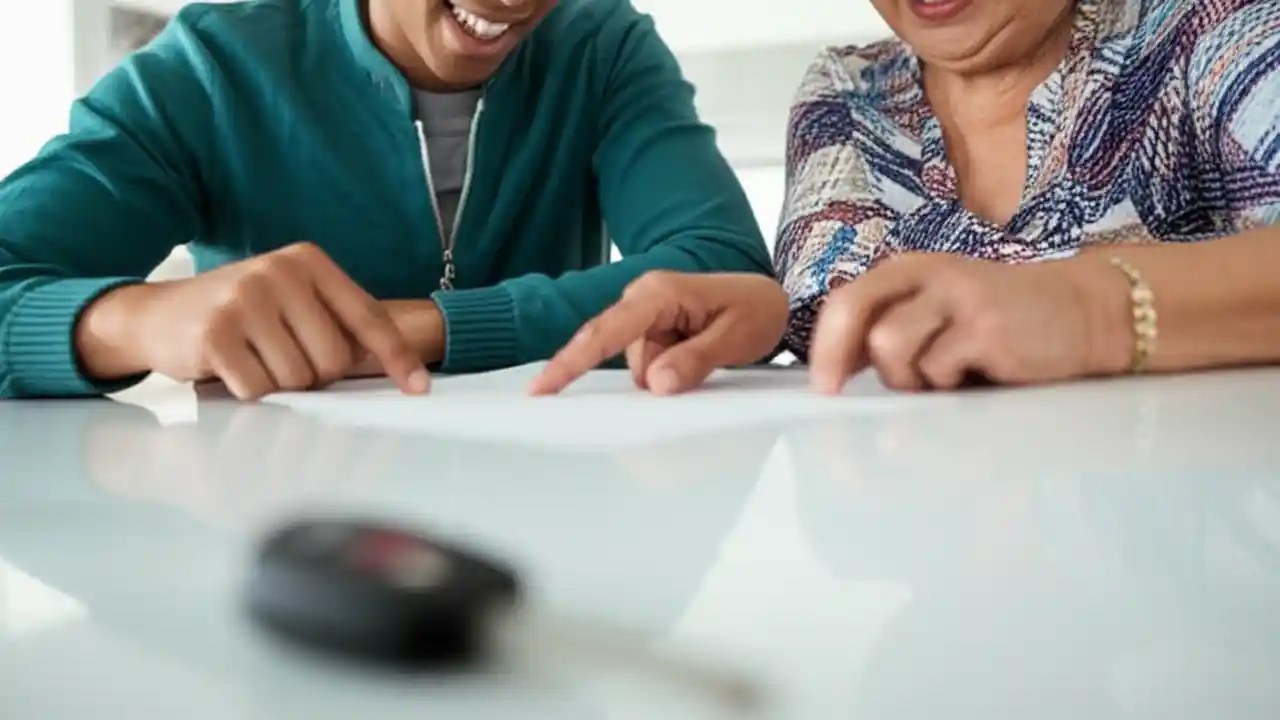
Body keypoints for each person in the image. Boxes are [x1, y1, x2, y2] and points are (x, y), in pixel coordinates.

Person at [0, 0, 772, 400]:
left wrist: (418, 329)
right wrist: (140, 319)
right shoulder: (215, 67)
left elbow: (721, 271)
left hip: (551, 516)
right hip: (280, 523)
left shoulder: (602, 46)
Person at [531, 0, 1280, 397]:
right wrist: (773, 321)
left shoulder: (1215, 31)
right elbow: (839, 319)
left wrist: (1087, 310)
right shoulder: (847, 95)